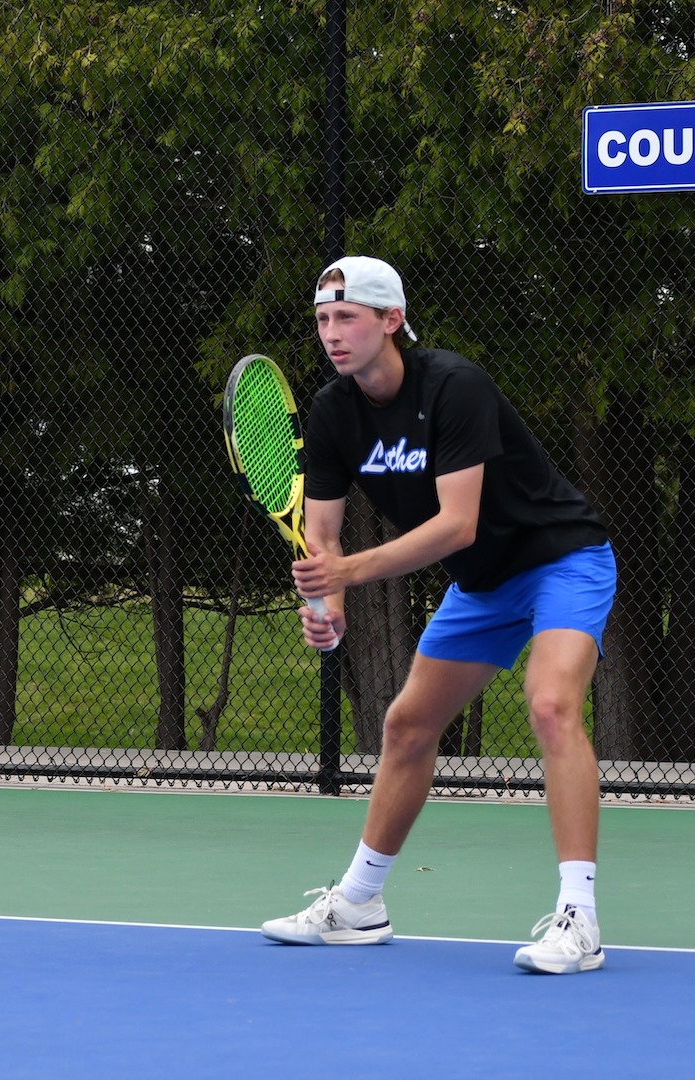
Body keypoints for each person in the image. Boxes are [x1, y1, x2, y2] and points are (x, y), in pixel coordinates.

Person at [259, 256, 615, 974]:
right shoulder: (332, 413)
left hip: (560, 559)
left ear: (391, 321)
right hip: (483, 586)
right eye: (324, 319)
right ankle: (359, 904)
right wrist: (326, 606)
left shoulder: (453, 386)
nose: (333, 333)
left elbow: (457, 524)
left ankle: (580, 918)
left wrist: (349, 573)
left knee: (550, 705)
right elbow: (321, 537)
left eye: (348, 317)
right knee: (407, 724)